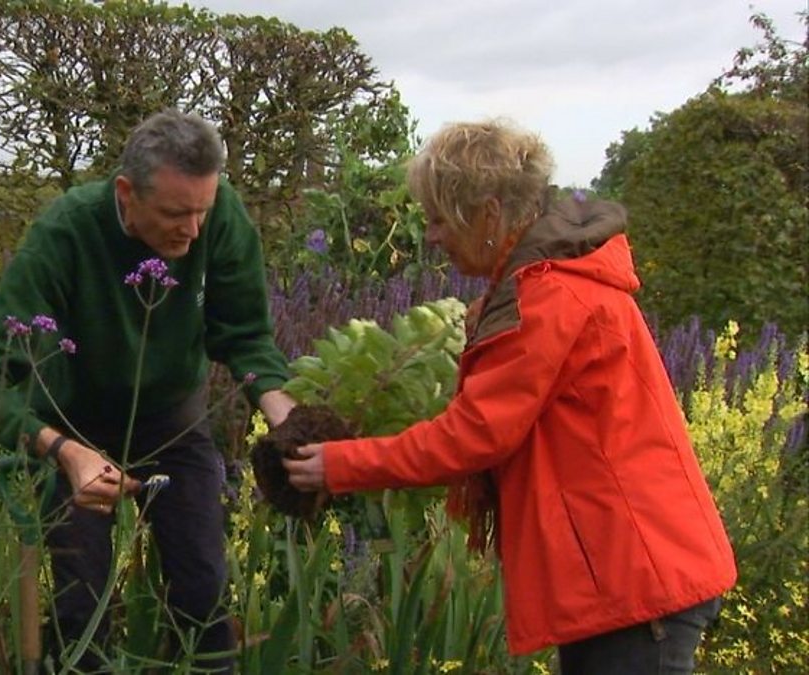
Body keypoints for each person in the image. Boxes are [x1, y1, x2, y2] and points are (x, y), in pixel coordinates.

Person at [283, 120, 736, 674]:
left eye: (438, 219)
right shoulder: (544, 286)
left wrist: (340, 463)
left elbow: (472, 437)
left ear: (489, 214)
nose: (430, 236)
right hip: (624, 571)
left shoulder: (550, 299)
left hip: (633, 576)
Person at [0, 108, 296, 673]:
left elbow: (247, 334)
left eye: (203, 211)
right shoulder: (66, 233)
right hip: (75, 427)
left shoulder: (218, 215)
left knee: (204, 590)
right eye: (175, 213)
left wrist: (286, 416)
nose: (193, 230)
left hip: (173, 421)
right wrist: (64, 451)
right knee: (81, 609)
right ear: (126, 193)